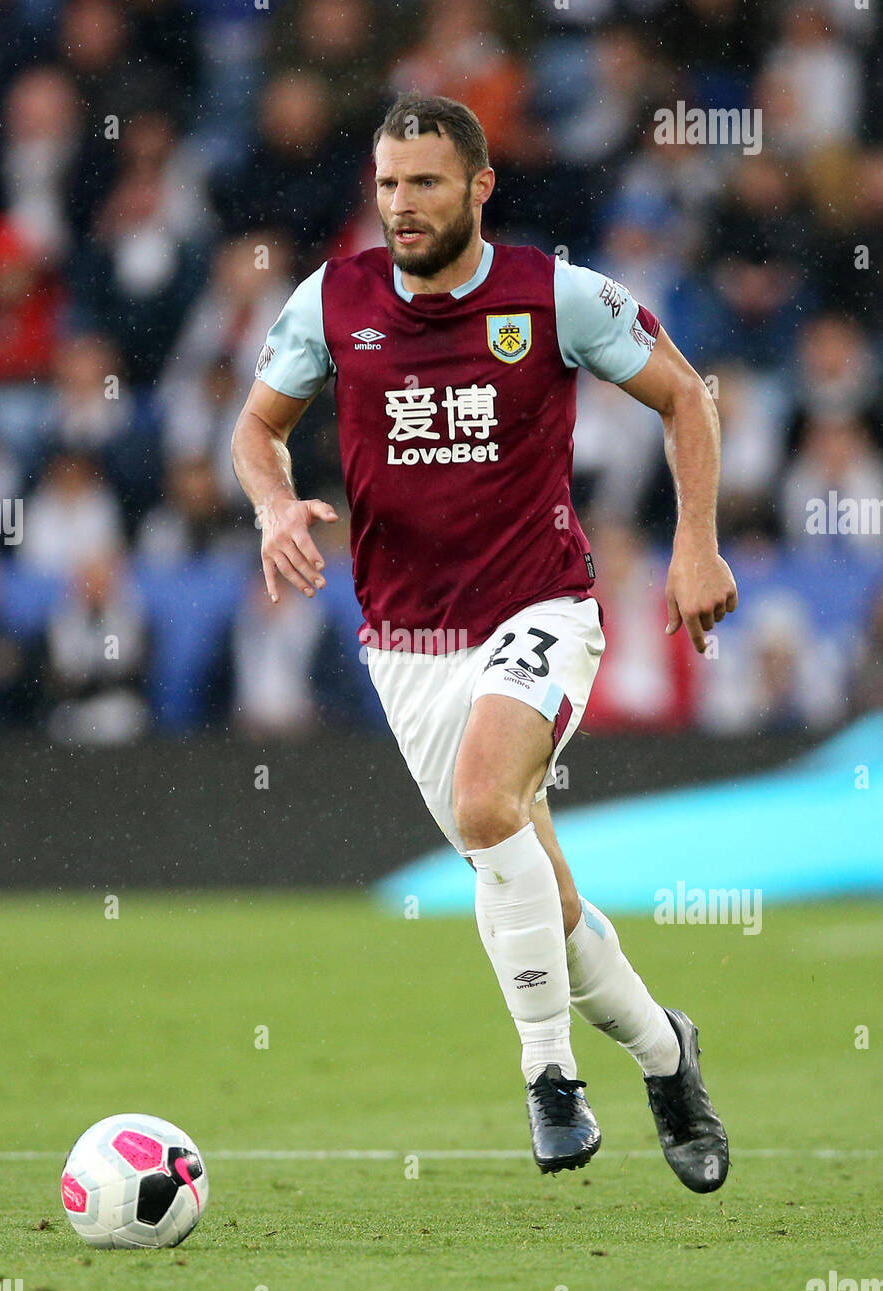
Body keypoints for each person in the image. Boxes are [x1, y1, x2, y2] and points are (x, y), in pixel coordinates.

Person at [230, 94, 737, 1190]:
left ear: (477, 187)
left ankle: (548, 1077)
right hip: (406, 640)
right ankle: (665, 1050)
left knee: (478, 803)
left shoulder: (551, 296)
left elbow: (686, 396)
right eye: (386, 186)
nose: (400, 207)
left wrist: (694, 544)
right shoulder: (334, 302)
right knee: (539, 898)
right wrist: (273, 505)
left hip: (538, 607)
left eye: (422, 183)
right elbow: (256, 430)